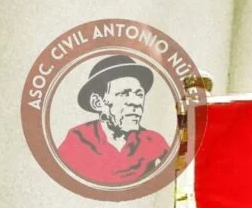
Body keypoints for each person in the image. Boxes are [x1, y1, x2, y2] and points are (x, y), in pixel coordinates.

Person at [57, 55, 170, 186]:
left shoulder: (154, 141)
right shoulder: (78, 140)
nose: (136, 102)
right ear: (98, 103)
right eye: (124, 94)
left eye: (139, 94)